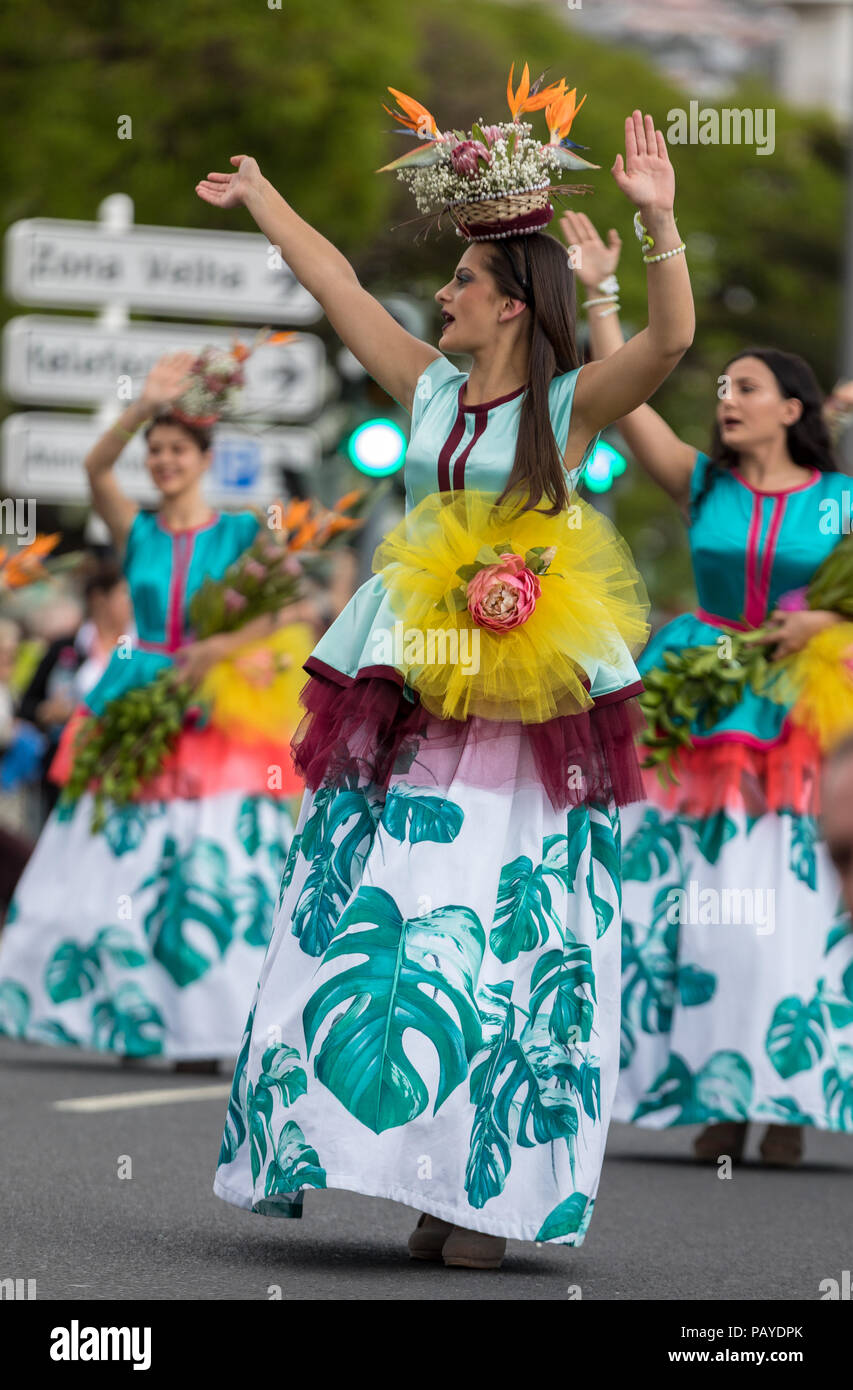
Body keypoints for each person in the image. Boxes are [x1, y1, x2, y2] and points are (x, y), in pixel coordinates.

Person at [196, 106, 694, 1267]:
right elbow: (334, 287)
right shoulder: (426, 391)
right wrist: (265, 193)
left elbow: (667, 344)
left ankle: (485, 1198)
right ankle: (416, 1172)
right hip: (414, 690)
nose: (444, 297)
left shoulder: (565, 405)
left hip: (526, 712)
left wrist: (659, 220)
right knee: (394, 913)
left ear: (513, 299)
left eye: (465, 281)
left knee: (499, 928)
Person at [563, 209, 853, 1167]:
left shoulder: (843, 502)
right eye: (723, 387)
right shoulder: (700, 484)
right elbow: (627, 399)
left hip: (806, 707)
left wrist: (830, 621)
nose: (726, 399)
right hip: (704, 690)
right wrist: (603, 292)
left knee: (785, 892)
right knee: (702, 896)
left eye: (746, 388)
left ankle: (788, 1094)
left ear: (791, 409)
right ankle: (719, 1092)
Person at [0, 353, 314, 1070]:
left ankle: (207, 1026)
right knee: (121, 859)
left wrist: (222, 646)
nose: (164, 461)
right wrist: (144, 406)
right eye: (157, 451)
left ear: (205, 459)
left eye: (177, 449)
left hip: (214, 709)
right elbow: (94, 467)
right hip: (137, 692)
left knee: (209, 863)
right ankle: (131, 1018)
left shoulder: (239, 532)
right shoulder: (134, 527)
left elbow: (293, 607)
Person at [18, 560, 133, 818]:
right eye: (124, 594)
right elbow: (27, 703)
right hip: (63, 768)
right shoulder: (65, 647)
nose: (131, 601)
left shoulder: (129, 649)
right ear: (98, 599)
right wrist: (45, 712)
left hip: (116, 770)